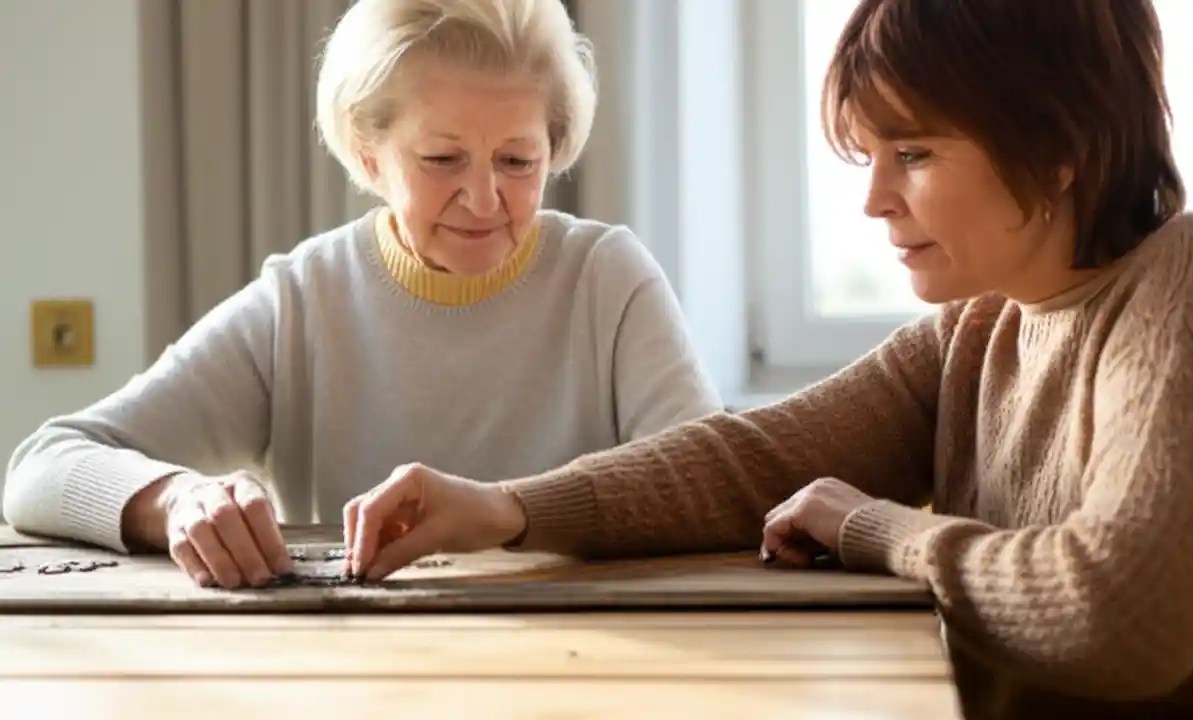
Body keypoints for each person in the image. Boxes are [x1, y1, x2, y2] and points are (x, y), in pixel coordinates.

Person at [336, 1, 1193, 717]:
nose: (873, 200)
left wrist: (876, 529)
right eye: (867, 155)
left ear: (1058, 143)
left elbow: (1127, 621)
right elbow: (749, 460)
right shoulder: (979, 328)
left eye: (910, 153)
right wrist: (506, 507)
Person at [2, 0, 720, 590]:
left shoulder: (608, 278)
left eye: (517, 160)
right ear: (369, 156)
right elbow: (43, 464)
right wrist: (178, 498)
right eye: (442, 159)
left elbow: (711, 488)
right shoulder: (305, 300)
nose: (483, 198)